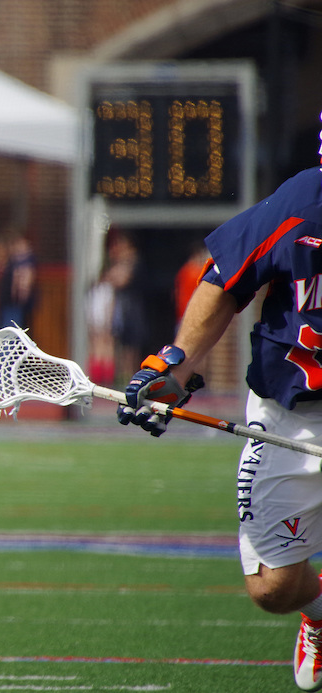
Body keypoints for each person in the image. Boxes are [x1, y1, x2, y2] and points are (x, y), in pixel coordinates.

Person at [116, 149, 322, 691]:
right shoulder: (303, 201)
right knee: (272, 588)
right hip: (290, 416)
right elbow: (226, 275)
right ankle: (319, 613)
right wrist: (175, 364)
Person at [0, 232, 37, 330]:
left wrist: (19, 297)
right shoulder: (13, 262)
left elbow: (25, 283)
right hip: (8, 301)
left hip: (15, 302)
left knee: (13, 327)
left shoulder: (25, 263)